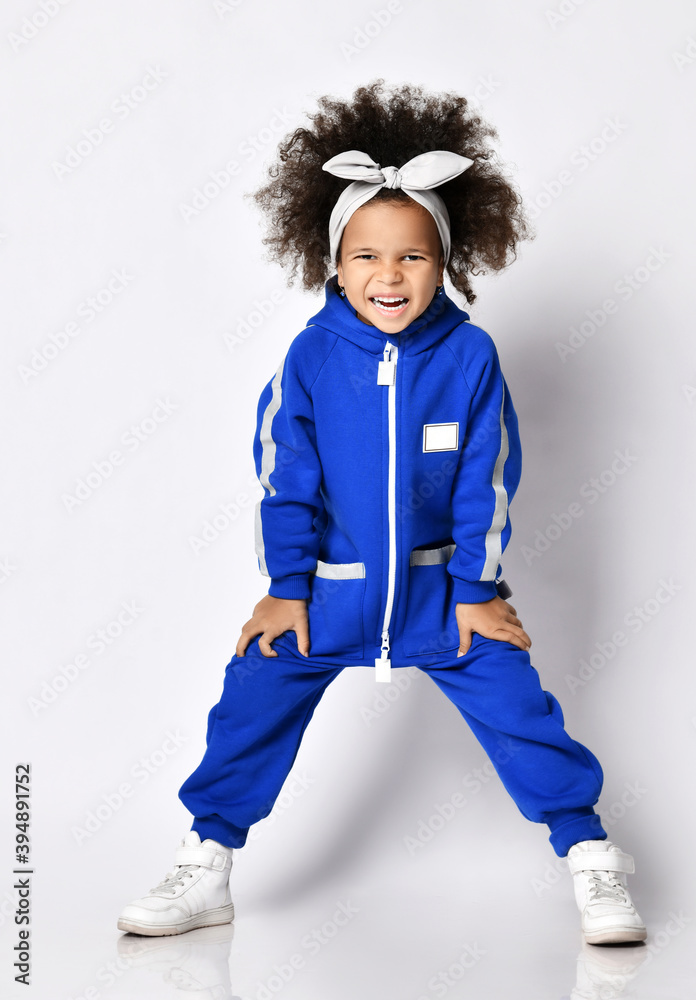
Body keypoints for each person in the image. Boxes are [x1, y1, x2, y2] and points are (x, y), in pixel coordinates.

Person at [118, 79, 646, 946]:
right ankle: (205, 861)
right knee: (250, 699)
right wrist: (288, 589)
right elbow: (286, 480)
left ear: (448, 261)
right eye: (367, 256)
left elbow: (490, 480)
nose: (389, 276)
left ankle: (591, 858)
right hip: (333, 591)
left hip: (444, 597)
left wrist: (477, 588)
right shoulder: (313, 358)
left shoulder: (468, 356)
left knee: (523, 714)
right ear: (332, 260)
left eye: (413, 256)